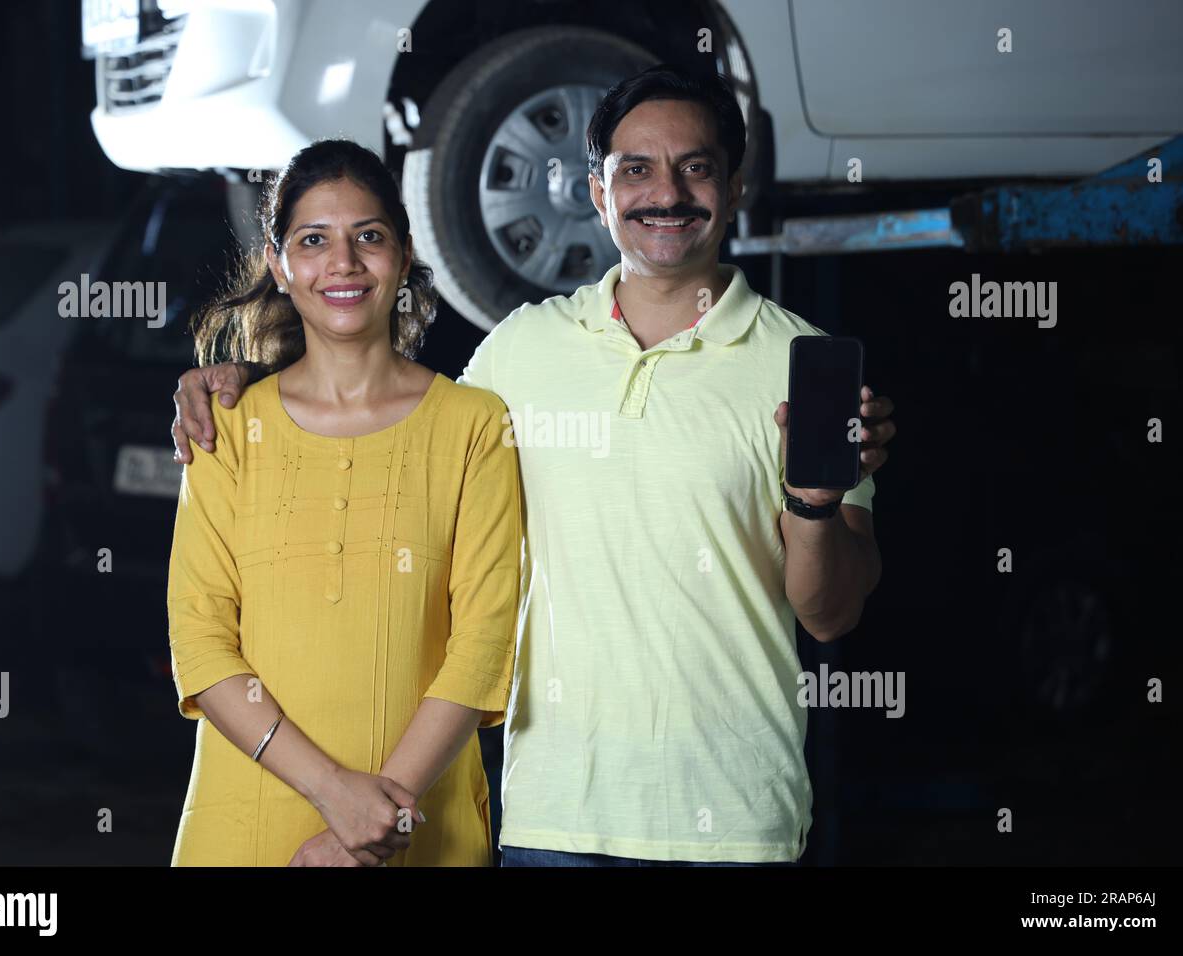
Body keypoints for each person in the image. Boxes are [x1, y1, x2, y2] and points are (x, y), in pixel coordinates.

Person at [172, 65, 896, 866]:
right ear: (597, 192)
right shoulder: (524, 350)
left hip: (733, 817)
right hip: (553, 820)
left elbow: (830, 615)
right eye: (636, 170)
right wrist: (245, 383)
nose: (667, 193)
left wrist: (817, 506)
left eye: (695, 167)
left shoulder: (801, 366)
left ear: (733, 184)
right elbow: (381, 407)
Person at [165, 138, 521, 867]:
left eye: (368, 236)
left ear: (403, 249)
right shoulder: (225, 425)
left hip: (424, 829)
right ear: (279, 260)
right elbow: (200, 643)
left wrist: (373, 817)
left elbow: (484, 645)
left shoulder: (475, 425)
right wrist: (335, 793)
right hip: (242, 828)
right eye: (314, 240)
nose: (344, 263)